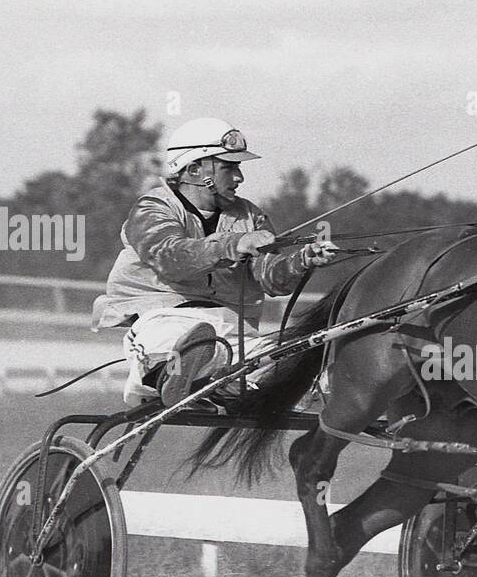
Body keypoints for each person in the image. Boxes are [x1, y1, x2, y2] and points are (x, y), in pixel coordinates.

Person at [91, 117, 335, 407]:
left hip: (231, 328)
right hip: (162, 317)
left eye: (239, 167)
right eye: (228, 167)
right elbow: (172, 258)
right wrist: (234, 243)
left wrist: (302, 261)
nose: (239, 177)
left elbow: (270, 276)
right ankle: (170, 377)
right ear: (194, 169)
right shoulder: (153, 208)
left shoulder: (249, 216)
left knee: (294, 354)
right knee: (186, 340)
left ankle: (227, 384)